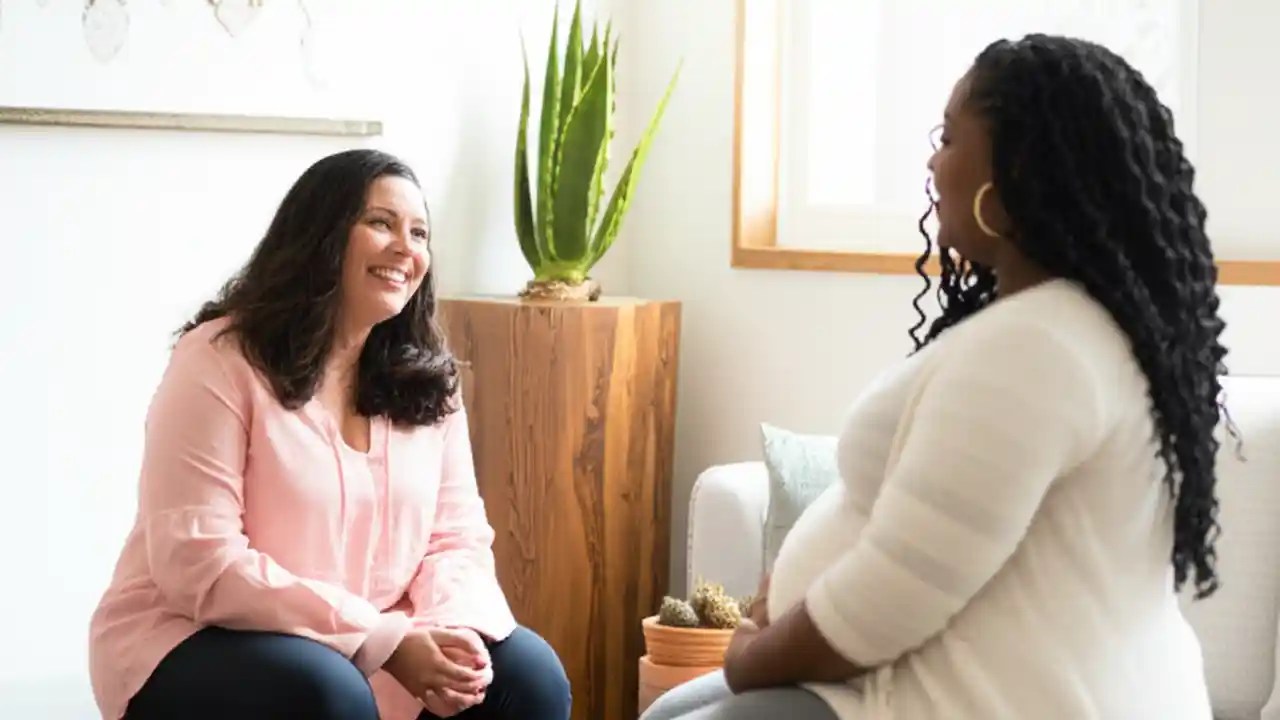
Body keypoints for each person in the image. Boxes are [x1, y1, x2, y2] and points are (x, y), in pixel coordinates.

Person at [642, 33, 1228, 720]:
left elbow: (887, 600)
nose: (931, 160)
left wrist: (746, 652)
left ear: (1013, 175)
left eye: (948, 138)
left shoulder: (1037, 349)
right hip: (932, 678)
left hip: (981, 700)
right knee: (671, 710)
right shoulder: (1068, 326)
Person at [87, 149, 571, 720]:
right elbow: (199, 561)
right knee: (328, 691)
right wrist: (382, 639)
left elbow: (456, 539)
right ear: (321, 236)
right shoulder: (218, 361)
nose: (406, 248)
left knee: (528, 675)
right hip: (194, 632)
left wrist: (450, 631)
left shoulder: (429, 381)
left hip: (380, 641)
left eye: (419, 233)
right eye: (381, 223)